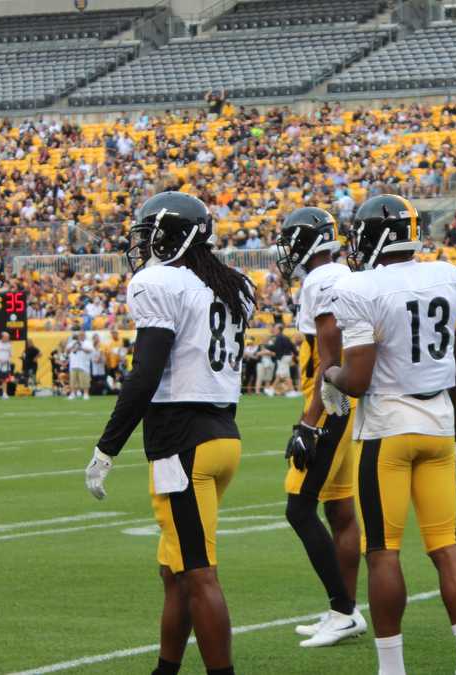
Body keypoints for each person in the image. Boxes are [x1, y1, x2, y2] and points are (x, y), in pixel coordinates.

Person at [85, 191, 255, 675]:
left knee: (199, 575)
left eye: (149, 233)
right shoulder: (229, 284)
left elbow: (146, 374)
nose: (142, 245)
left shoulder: (158, 281)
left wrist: (107, 447)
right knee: (175, 571)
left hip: (181, 443)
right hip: (223, 433)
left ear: (167, 236)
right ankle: (166, 669)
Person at [322, 194, 456, 675]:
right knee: (445, 545)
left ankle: (392, 668)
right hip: (437, 422)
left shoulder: (359, 287)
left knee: (382, 552)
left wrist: (330, 375)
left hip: (388, 429)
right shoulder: (449, 277)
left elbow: (358, 380)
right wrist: (454, 435)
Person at [274, 206, 366, 647]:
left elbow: (329, 350)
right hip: (347, 400)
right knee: (340, 510)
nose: (288, 250)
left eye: (293, 241)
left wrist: (309, 421)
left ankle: (344, 610)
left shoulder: (323, 278)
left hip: (332, 401)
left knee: (299, 506)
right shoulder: (344, 274)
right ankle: (341, 610)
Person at [267, 323, 297, 397]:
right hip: (287, 357)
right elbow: (292, 347)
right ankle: (272, 389)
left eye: (275, 329)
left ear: (278, 330)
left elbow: (275, 348)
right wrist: (296, 354)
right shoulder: (286, 337)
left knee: (284, 375)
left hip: (283, 358)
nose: (274, 330)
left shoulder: (279, 338)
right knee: (280, 375)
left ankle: (291, 391)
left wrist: (266, 346)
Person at [68, 331, 92, 400]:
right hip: (73, 364)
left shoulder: (87, 343)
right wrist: (74, 345)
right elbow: (67, 350)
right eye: (80, 335)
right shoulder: (73, 342)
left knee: (85, 381)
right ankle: (72, 394)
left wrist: (81, 348)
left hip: (83, 365)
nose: (81, 336)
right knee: (73, 381)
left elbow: (90, 350)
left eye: (82, 335)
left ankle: (86, 393)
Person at [0, 332, 14, 399]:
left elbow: (11, 354)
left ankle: (4, 393)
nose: (8, 338)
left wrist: (6, 360)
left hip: (5, 365)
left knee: (5, 379)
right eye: (6, 337)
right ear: (2, 337)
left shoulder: (9, 345)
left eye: (8, 337)